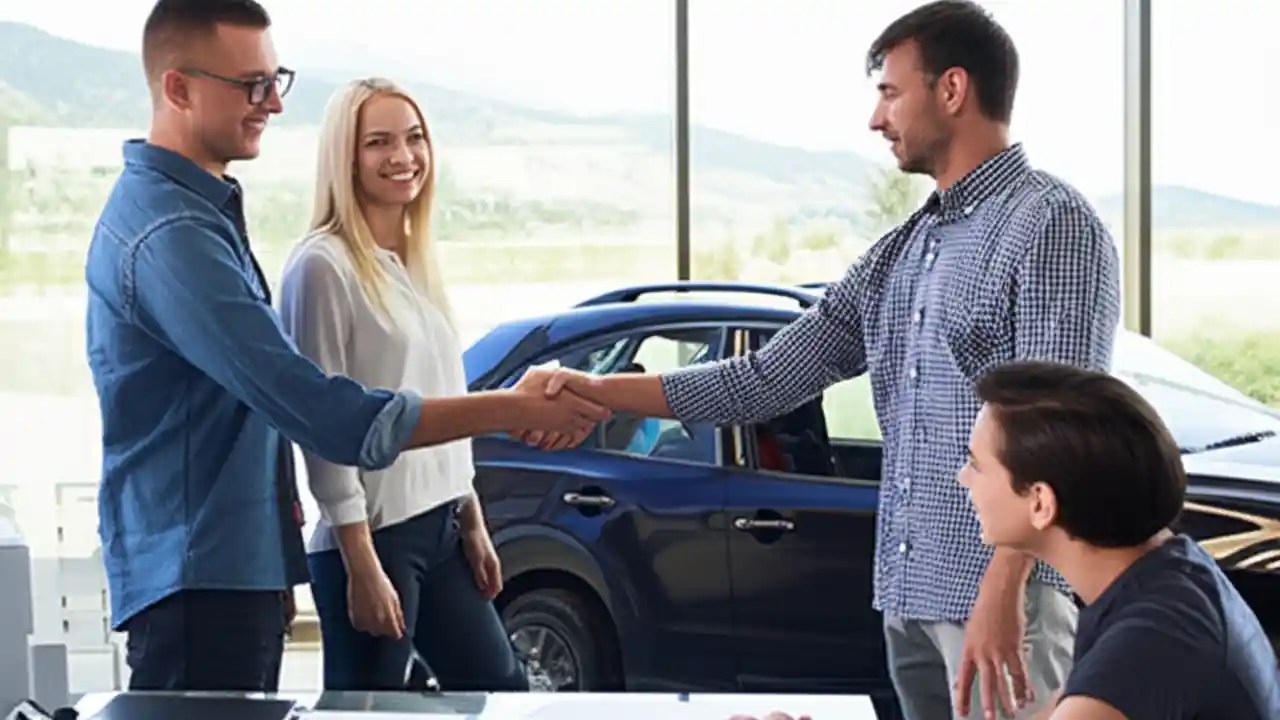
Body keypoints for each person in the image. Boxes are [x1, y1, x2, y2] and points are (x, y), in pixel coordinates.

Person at [521, 1, 1120, 718]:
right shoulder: (904, 249)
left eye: (891, 92)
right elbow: (764, 378)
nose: (876, 118)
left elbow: (1062, 431)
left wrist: (1004, 587)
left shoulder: (1052, 224)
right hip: (908, 595)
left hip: (998, 600)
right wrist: (599, 392)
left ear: (952, 90)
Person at [83, 0, 606, 693]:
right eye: (250, 85)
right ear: (178, 88)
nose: (271, 102)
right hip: (199, 580)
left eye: (277, 80)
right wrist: (510, 409)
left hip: (233, 567)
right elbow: (321, 412)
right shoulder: (172, 238)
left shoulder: (202, 215)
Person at [276, 78, 527, 691]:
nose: (403, 156)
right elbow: (323, 430)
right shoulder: (321, 267)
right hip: (375, 540)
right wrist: (362, 564)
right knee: (371, 712)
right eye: (378, 142)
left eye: (414, 138)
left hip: (441, 528)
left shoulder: (414, 261)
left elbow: (443, 396)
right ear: (345, 157)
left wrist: (472, 520)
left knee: (500, 694)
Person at [958, 361, 1280, 719]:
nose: (963, 479)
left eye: (976, 465)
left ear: (1040, 503)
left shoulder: (1155, 636)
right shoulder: (1165, 576)